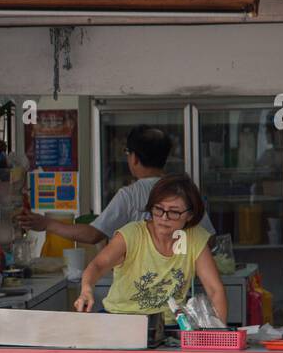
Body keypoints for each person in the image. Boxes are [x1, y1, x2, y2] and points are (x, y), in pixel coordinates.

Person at [18, 126, 213, 245]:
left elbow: (94, 234)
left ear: (134, 158)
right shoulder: (185, 191)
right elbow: (208, 238)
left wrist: (47, 224)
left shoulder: (130, 195)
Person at [74, 174, 226, 322]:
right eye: (158, 209)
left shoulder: (194, 238)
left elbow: (214, 290)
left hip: (168, 326)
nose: (164, 218)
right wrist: (86, 289)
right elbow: (98, 265)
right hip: (121, 319)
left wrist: (218, 332)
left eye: (174, 212)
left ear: (190, 215)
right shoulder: (132, 234)